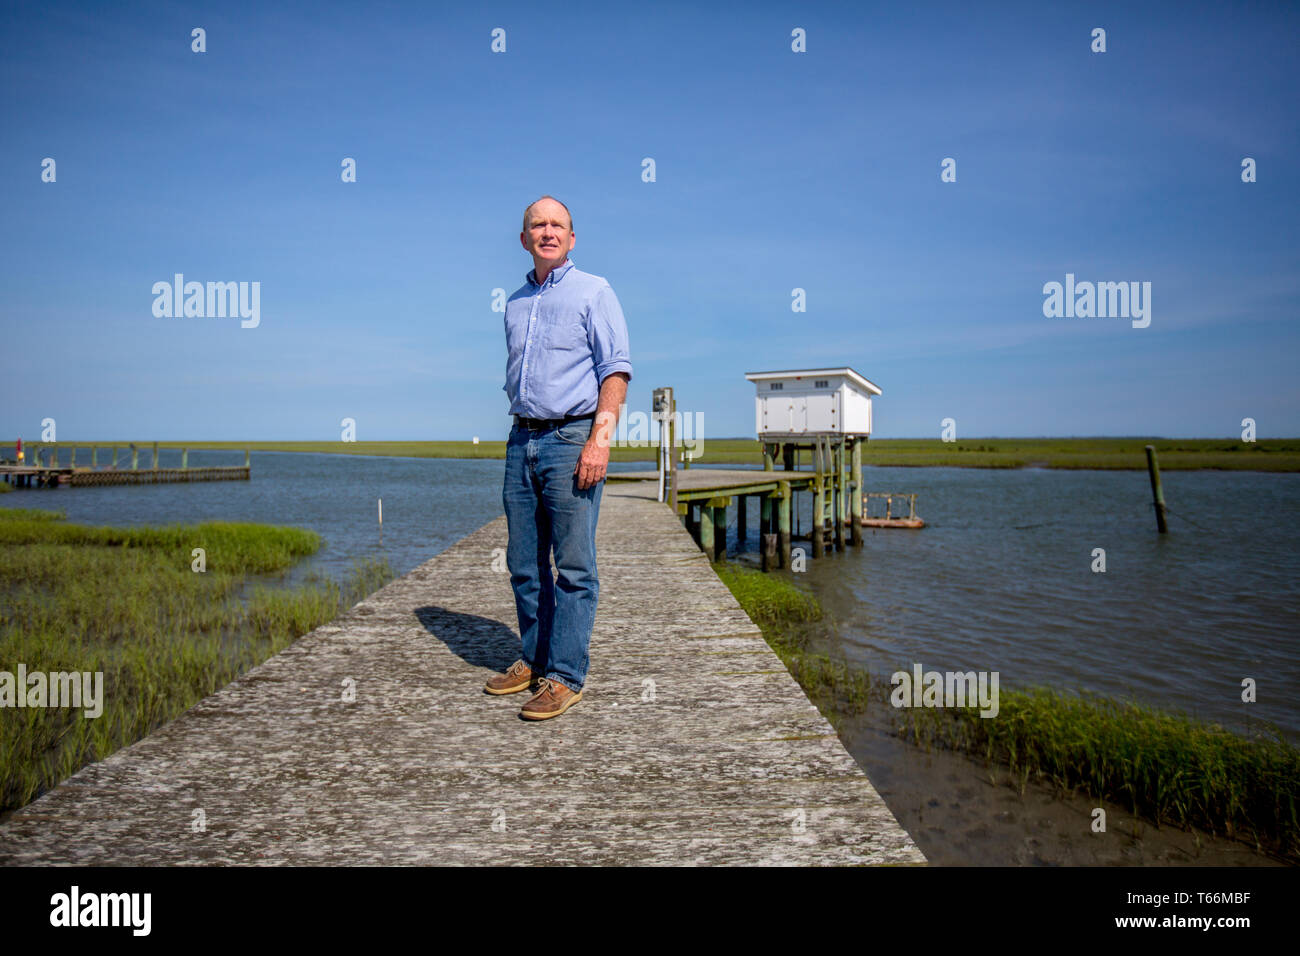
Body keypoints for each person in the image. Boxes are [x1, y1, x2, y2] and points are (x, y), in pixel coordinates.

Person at [485, 195, 632, 721]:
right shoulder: (515, 302)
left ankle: (565, 676)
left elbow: (615, 372)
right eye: (537, 225)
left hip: (572, 439)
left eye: (558, 225)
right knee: (524, 563)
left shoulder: (595, 291)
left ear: (571, 238)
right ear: (524, 239)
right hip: (520, 440)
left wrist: (601, 441)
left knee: (573, 566)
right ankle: (534, 656)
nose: (548, 232)